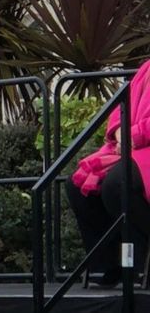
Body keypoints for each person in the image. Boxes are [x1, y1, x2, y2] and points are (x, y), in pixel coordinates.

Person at [67, 59, 150, 287]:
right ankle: (106, 265)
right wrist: (120, 130)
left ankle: (137, 264)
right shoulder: (147, 68)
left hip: (144, 148)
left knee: (117, 183)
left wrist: (134, 134)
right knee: (78, 185)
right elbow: (120, 105)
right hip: (130, 148)